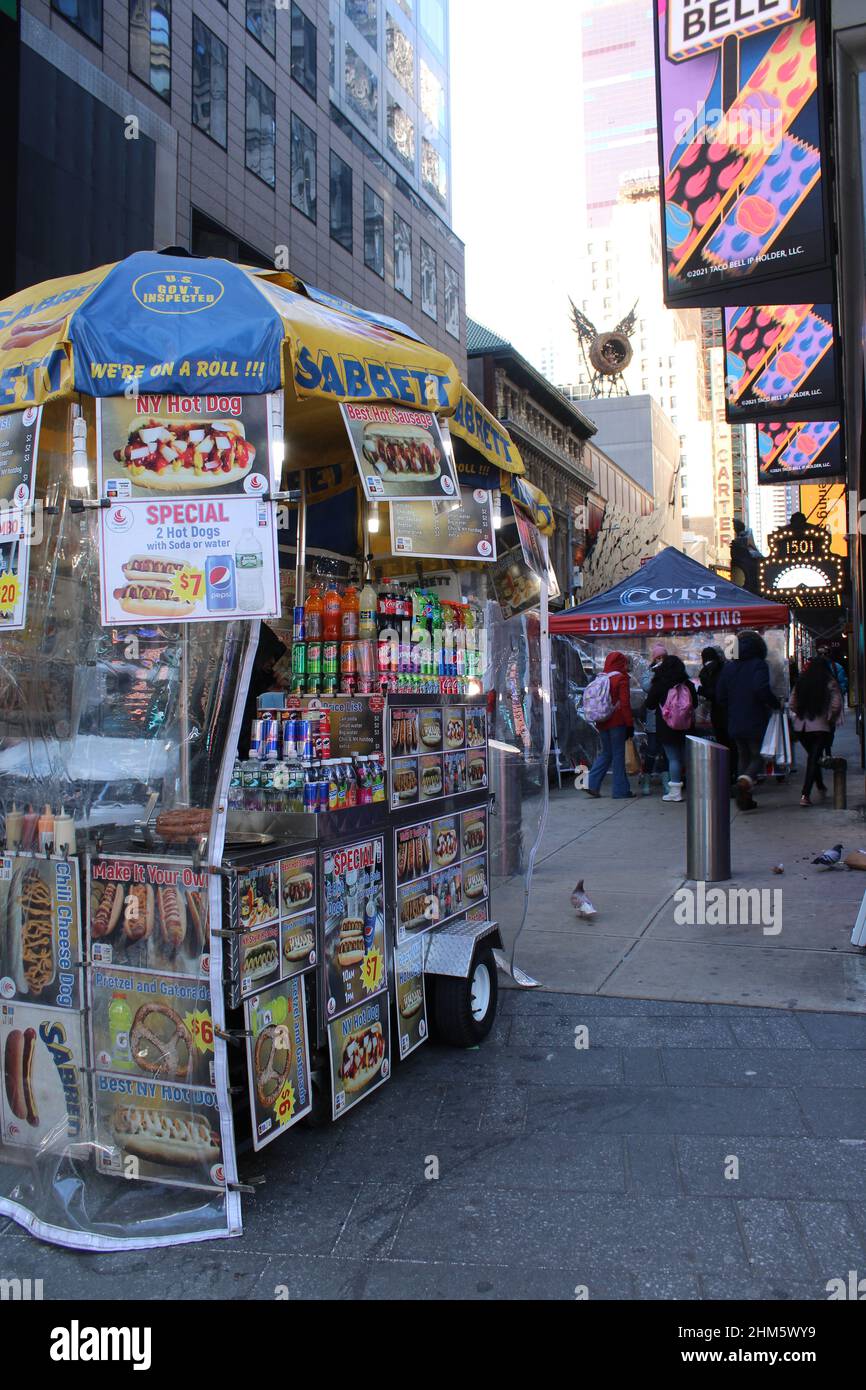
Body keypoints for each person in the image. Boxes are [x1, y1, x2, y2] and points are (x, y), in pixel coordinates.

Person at [715, 630, 780, 810]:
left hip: (734, 718)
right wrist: (775, 704)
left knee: (743, 755)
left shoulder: (729, 667)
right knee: (759, 756)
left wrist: (733, 706)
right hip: (755, 717)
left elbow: (720, 695)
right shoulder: (759, 664)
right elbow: (762, 689)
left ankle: (745, 798)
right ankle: (744, 783)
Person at [645, 653, 697, 803]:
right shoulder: (688, 684)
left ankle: (675, 793)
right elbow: (694, 705)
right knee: (687, 758)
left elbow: (650, 704)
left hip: (667, 727)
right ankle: (695, 789)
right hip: (687, 726)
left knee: (673, 758)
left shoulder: (659, 683)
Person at [790, 658, 842, 806]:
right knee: (813, 759)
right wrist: (829, 717)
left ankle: (820, 786)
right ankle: (805, 794)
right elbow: (836, 703)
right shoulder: (829, 681)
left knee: (813, 757)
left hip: (801, 728)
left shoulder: (801, 681)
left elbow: (792, 703)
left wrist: (801, 713)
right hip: (820, 727)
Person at [585, 651, 635, 800]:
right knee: (619, 756)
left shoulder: (601, 678)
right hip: (617, 722)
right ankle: (620, 790)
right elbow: (625, 704)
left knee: (606, 753)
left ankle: (591, 784)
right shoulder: (621, 679)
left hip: (601, 721)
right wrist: (630, 724)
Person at [639, 642, 667, 794]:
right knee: (651, 751)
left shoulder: (671, 671)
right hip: (653, 720)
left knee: (666, 752)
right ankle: (646, 781)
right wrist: (655, 674)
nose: (660, 660)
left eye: (663, 657)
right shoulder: (649, 673)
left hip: (669, 719)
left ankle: (667, 783)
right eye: (658, 658)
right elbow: (647, 687)